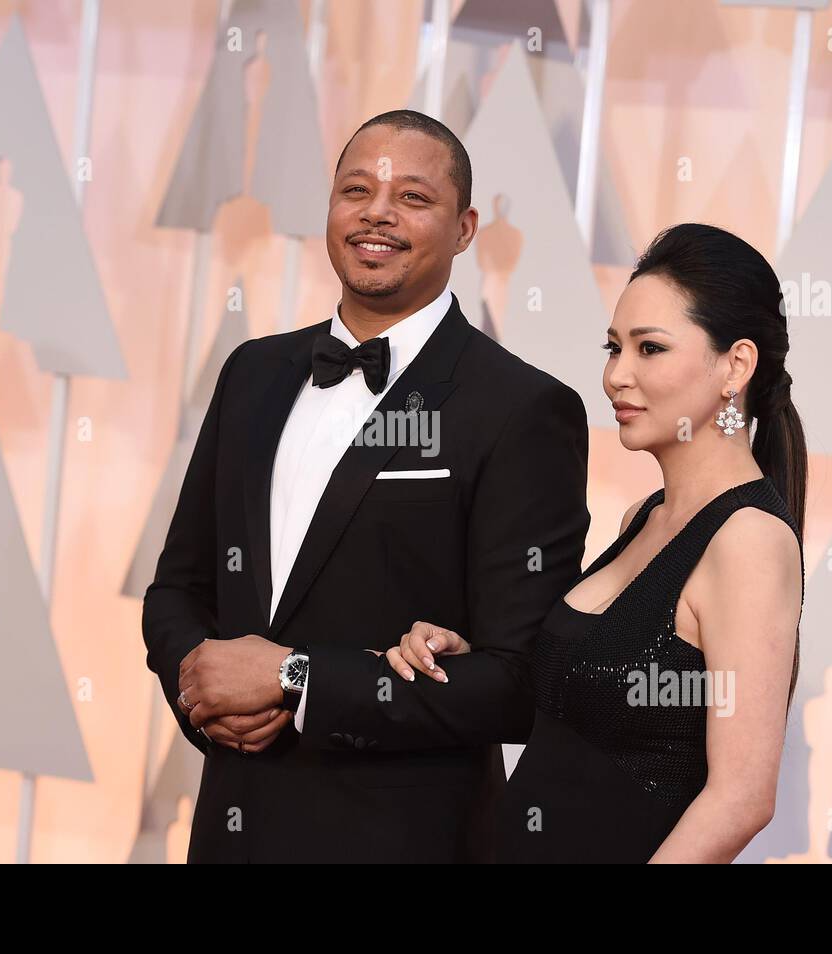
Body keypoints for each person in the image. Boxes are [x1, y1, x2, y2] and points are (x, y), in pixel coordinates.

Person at [142, 109, 590, 863]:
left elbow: (518, 683)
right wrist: (206, 696)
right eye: (356, 190)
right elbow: (177, 590)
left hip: (403, 840)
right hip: (233, 828)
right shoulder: (252, 373)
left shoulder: (520, 409)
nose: (377, 211)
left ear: (466, 227)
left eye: (413, 198)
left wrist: (293, 679)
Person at [387, 223, 807, 863]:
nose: (617, 376)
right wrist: (463, 651)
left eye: (650, 349)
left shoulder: (749, 541)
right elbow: (584, 705)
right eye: (613, 348)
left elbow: (742, 798)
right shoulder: (643, 518)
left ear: (736, 365)